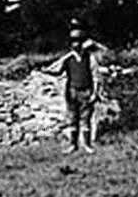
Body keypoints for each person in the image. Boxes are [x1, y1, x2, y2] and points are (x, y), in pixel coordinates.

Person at [43, 25, 104, 154]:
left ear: (82, 43)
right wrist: (45, 70)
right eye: (73, 41)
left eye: (78, 41)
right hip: (72, 92)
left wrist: (95, 93)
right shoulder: (68, 58)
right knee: (72, 119)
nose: (76, 44)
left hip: (86, 91)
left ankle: (87, 145)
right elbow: (56, 70)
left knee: (85, 119)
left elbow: (96, 76)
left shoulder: (90, 58)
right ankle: (73, 145)